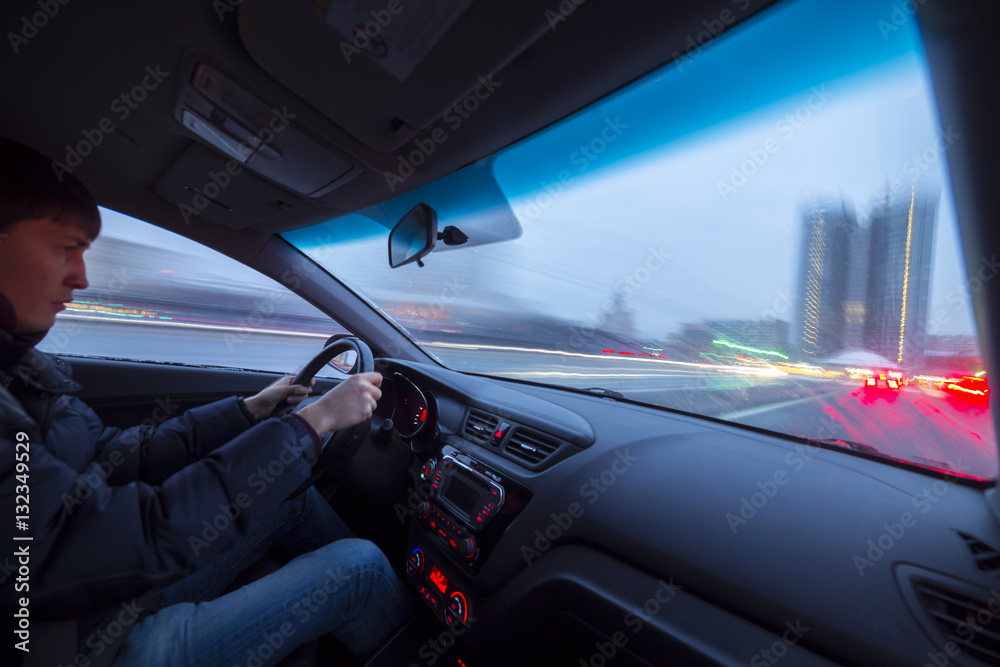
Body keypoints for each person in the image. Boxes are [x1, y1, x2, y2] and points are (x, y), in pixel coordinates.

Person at [0, 136, 414, 666]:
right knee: (359, 569)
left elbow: (114, 458)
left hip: (97, 607)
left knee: (289, 498)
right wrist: (309, 426)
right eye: (65, 248)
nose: (82, 277)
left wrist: (249, 411)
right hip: (76, 647)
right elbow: (102, 543)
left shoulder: (19, 377)